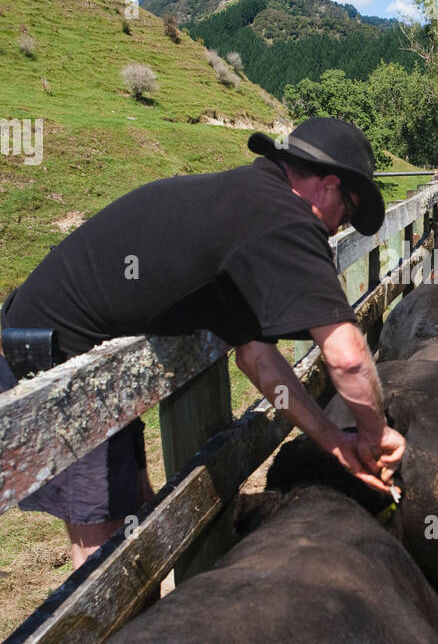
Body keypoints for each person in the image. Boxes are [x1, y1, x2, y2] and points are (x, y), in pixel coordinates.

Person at [0, 118, 405, 567]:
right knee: (107, 538)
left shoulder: (247, 206)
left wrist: (332, 440)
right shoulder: (285, 219)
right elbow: (347, 359)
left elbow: (257, 358)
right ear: (328, 187)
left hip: (75, 345)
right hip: (58, 360)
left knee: (134, 505)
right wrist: (375, 434)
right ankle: (116, 637)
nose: (336, 228)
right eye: (346, 214)